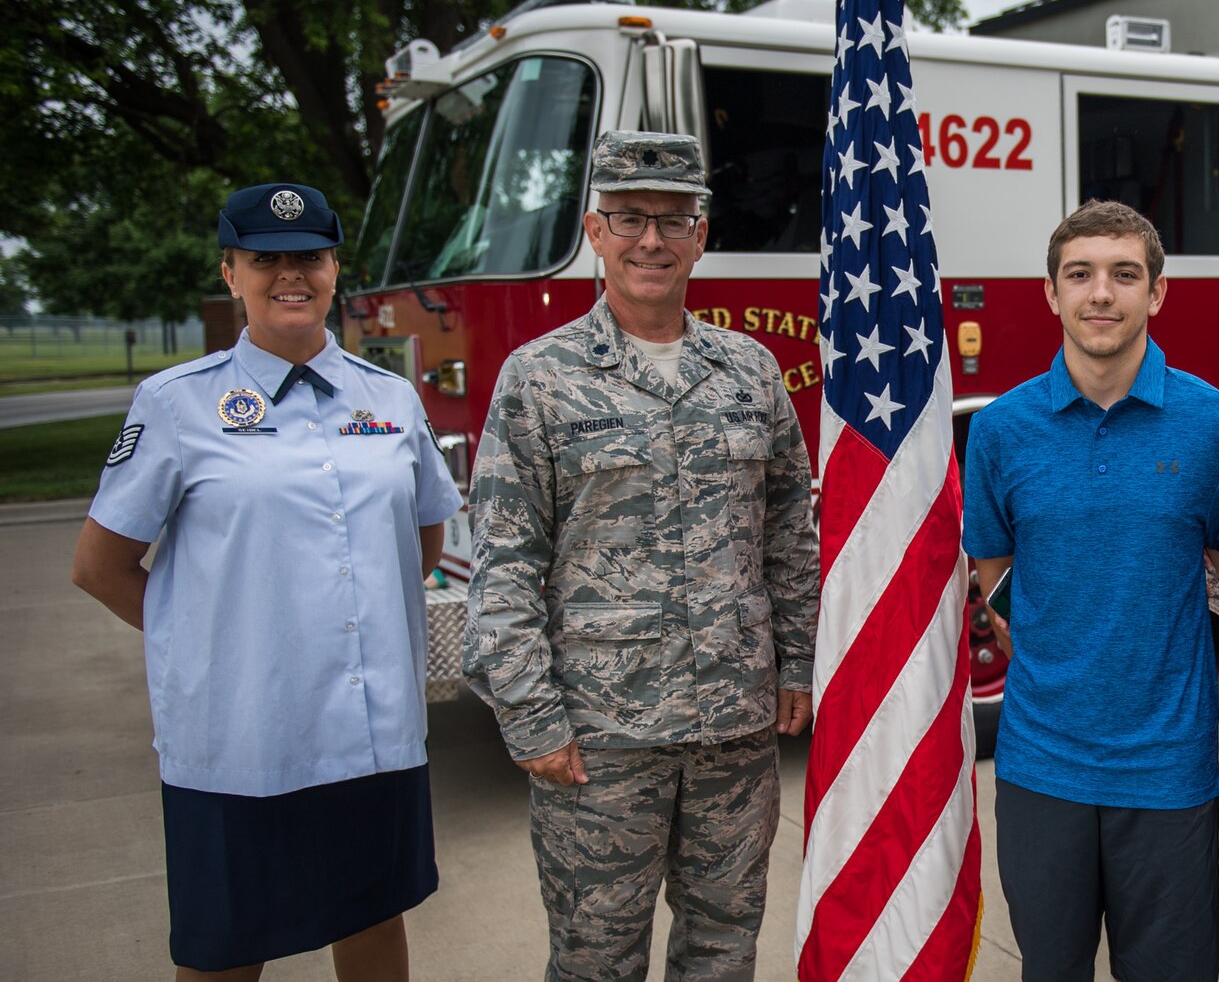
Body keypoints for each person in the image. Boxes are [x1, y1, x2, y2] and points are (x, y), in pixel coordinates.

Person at [71, 183, 461, 980]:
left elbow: (420, 537)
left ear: (334, 269)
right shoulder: (177, 404)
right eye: (265, 258)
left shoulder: (388, 397)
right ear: (230, 272)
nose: (291, 274)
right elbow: (99, 566)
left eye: (309, 257)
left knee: (372, 921)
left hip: (371, 731)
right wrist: (208, 642)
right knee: (227, 947)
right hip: (245, 735)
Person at [464, 131, 817, 982]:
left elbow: (789, 530)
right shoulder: (538, 377)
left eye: (672, 219)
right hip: (600, 736)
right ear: (595, 230)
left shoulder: (750, 370)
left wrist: (800, 661)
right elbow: (504, 561)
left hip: (734, 727)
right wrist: (531, 716)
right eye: (628, 217)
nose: (650, 240)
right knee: (596, 960)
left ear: (702, 235)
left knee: (724, 950)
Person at [963, 199, 1219, 982]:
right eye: (1080, 274)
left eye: (1124, 274)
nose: (1101, 293)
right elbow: (997, 579)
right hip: (1040, 766)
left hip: (1168, 771)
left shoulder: (1217, 425)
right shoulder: (1000, 429)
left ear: (1156, 293)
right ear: (1050, 292)